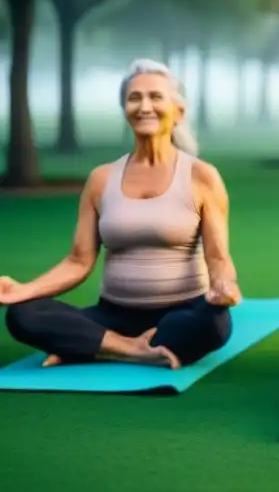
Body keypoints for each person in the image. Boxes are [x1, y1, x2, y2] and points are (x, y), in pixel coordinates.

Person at [1, 59, 241, 369]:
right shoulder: (101, 179)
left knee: (215, 323)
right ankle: (128, 348)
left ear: (178, 111)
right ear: (125, 110)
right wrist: (23, 291)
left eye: (156, 97)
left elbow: (218, 258)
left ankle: (90, 345)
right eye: (134, 98)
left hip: (181, 313)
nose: (144, 106)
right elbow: (78, 261)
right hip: (113, 315)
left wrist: (224, 286)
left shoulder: (201, 176)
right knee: (23, 314)